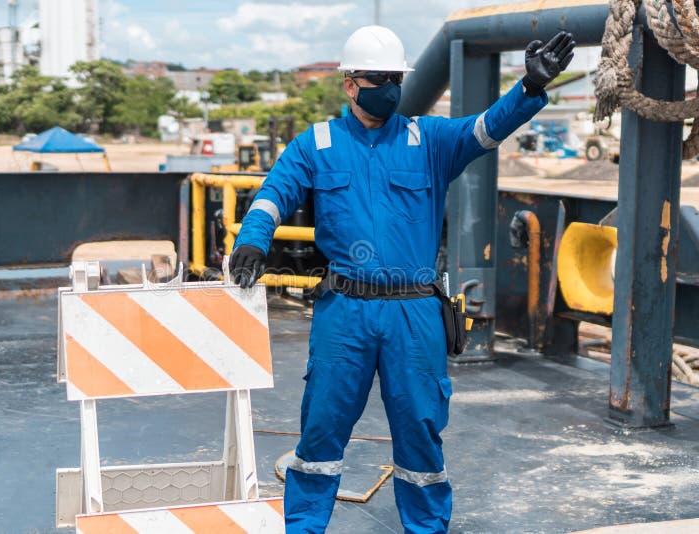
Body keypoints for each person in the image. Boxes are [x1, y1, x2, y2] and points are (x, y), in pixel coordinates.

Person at [229, 25, 575, 533]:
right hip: (344, 313)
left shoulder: (429, 139)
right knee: (321, 430)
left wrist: (528, 89)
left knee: (420, 433)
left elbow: (485, 128)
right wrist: (252, 240)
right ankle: (303, 527)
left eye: (396, 77)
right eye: (379, 78)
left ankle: (427, 528)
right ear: (350, 84)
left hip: (414, 316)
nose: (390, 87)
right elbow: (272, 194)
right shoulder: (316, 144)